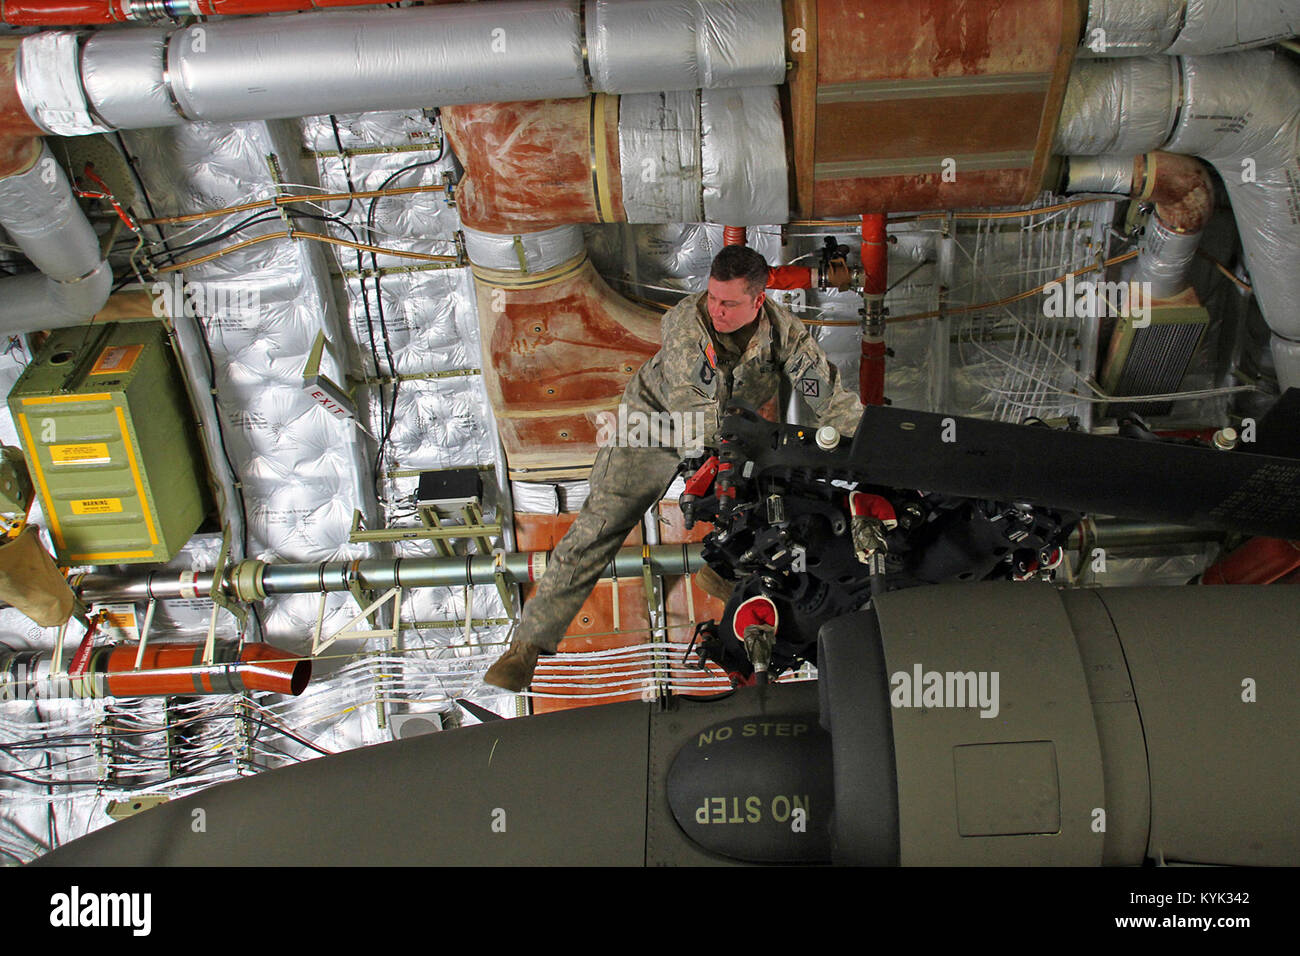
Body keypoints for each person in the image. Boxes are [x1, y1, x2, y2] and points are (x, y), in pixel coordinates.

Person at [484, 245, 864, 691]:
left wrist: (868, 446)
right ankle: (527, 645)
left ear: (758, 301)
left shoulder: (785, 333)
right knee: (601, 524)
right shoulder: (688, 324)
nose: (716, 309)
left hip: (729, 431)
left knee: (782, 504)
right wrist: (729, 465)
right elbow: (693, 413)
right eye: (713, 297)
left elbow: (831, 399)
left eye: (729, 303)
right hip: (654, 425)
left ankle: (724, 574)